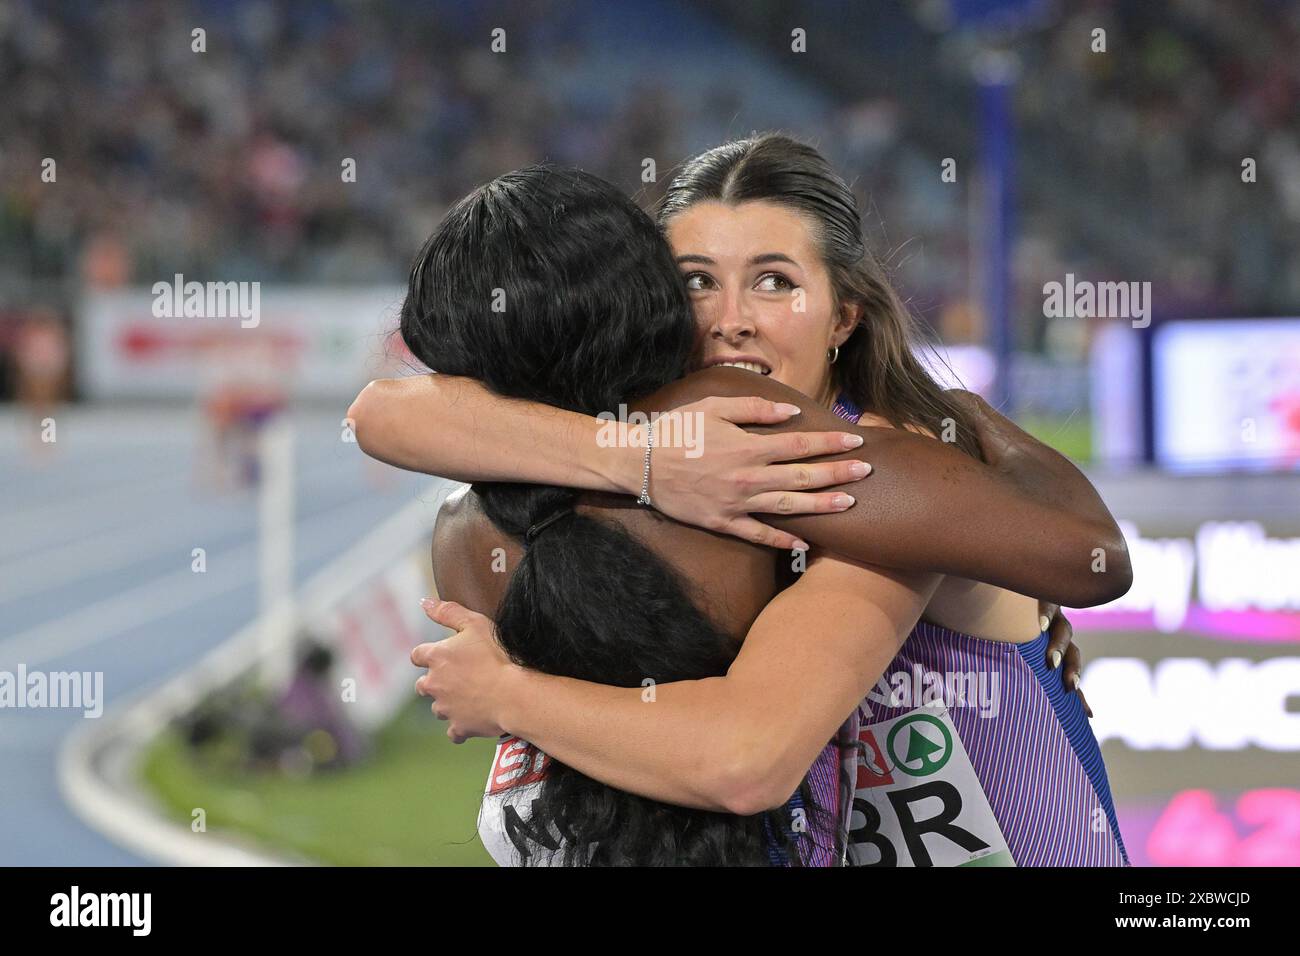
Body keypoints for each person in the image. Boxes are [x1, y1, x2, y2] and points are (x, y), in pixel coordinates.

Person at [363, 136, 1133, 865]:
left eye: (775, 282)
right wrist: (645, 461)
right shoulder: (667, 437)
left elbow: (1092, 557)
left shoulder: (861, 462)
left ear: (844, 315)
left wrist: (964, 417)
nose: (730, 320)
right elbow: (387, 413)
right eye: (697, 281)